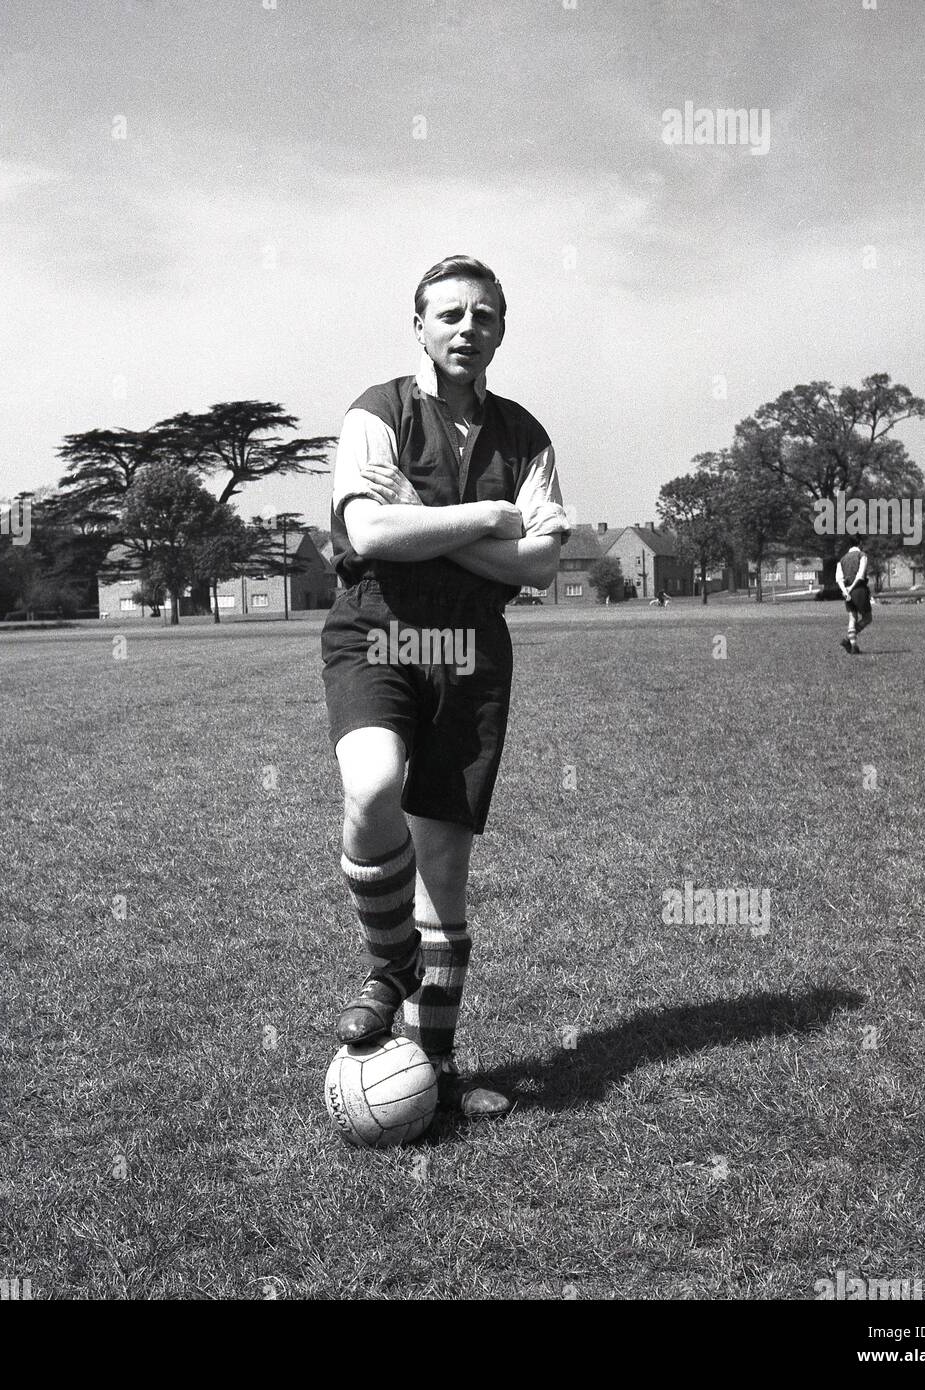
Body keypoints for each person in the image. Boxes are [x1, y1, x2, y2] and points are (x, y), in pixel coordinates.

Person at [320, 255, 569, 1119]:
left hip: (473, 650)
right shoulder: (375, 412)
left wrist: (430, 527)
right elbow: (369, 531)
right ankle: (390, 966)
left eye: (485, 316)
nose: (468, 328)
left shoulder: (526, 435)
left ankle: (436, 1074)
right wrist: (491, 521)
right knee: (372, 788)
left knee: (447, 872)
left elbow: (540, 563)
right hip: (378, 630)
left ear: (502, 329)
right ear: (418, 326)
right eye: (451, 314)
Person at [836, 540, 871, 654]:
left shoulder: (842, 560)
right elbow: (860, 575)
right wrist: (851, 588)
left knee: (852, 617)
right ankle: (848, 639)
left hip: (846, 592)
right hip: (859, 590)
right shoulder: (862, 555)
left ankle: (853, 644)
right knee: (867, 618)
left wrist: (845, 591)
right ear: (860, 544)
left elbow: (839, 579)